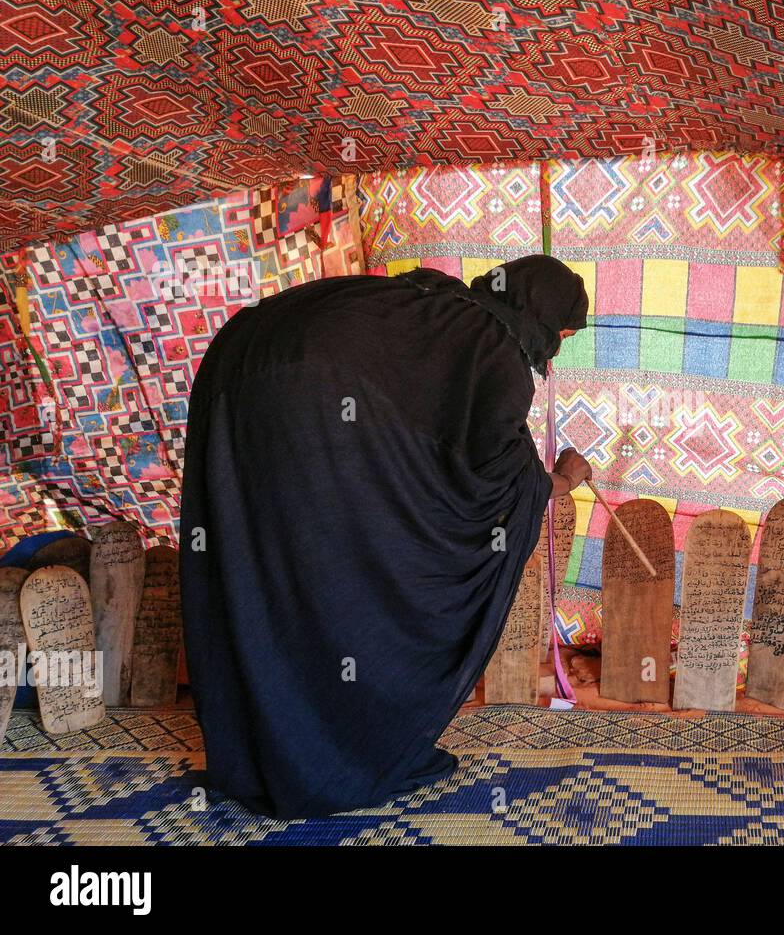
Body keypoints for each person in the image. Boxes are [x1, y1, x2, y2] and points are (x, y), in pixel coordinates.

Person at [179, 255, 591, 818]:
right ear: (540, 314)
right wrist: (563, 478)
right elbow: (495, 482)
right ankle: (336, 759)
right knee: (355, 588)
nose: (556, 351)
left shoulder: (436, 304)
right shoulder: (496, 349)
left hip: (242, 358)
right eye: (561, 335)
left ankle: (260, 757)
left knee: (266, 569)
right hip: (307, 402)